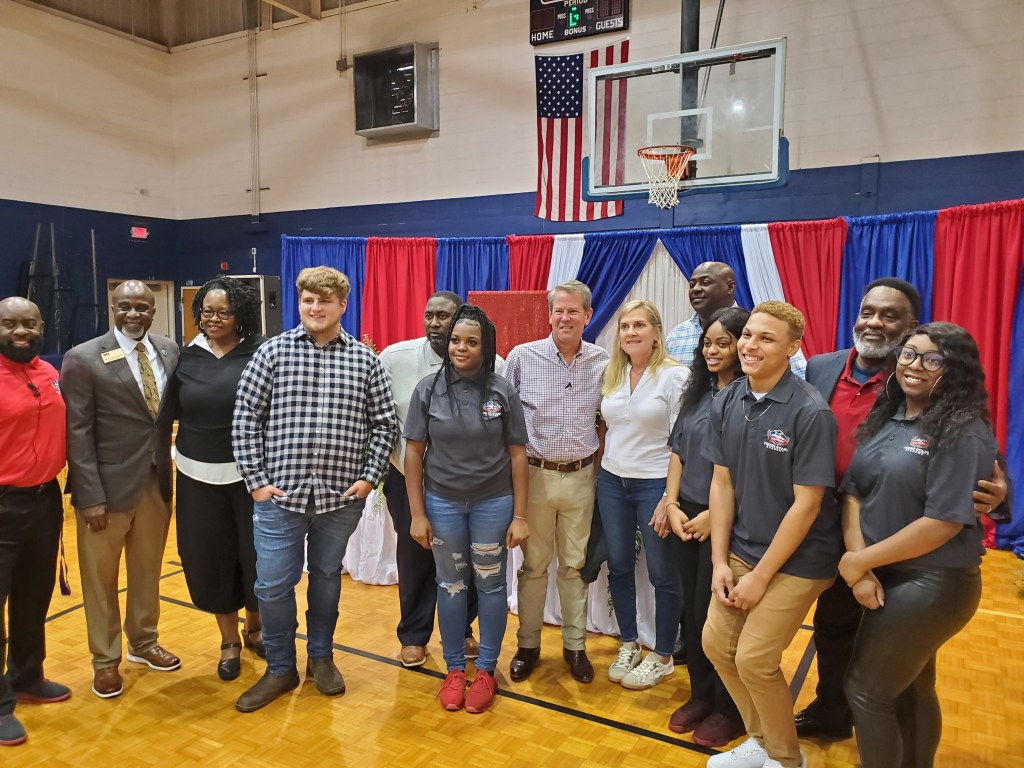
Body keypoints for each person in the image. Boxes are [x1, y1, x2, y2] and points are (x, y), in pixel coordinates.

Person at [794, 278, 1008, 741]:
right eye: (867, 311)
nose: (874, 322)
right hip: (830, 524)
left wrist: (1001, 491)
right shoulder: (820, 367)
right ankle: (831, 714)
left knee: (893, 665)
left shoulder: (924, 373)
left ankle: (881, 733)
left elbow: (977, 453)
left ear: (911, 326)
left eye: (890, 316)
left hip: (903, 545)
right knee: (832, 628)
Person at [231, 266, 397, 712]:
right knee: (272, 585)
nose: (315, 308)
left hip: (339, 498)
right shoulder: (272, 353)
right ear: (299, 303)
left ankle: (321, 657)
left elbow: (385, 424)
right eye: (308, 300)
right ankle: (280, 667)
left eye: (324, 301)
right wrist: (257, 482)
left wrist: (369, 477)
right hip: (279, 496)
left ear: (342, 305)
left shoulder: (365, 361)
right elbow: (245, 418)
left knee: (326, 578)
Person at [838, 323, 998, 768]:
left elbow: (942, 523)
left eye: (932, 359)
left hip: (933, 583)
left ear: (956, 369)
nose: (915, 366)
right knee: (909, 687)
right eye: (909, 354)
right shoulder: (887, 415)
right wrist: (861, 566)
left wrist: (860, 561)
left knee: (866, 691)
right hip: (884, 573)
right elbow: (853, 492)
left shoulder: (963, 430)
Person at [702, 302, 839, 768]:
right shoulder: (727, 399)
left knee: (755, 659)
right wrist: (720, 561)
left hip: (802, 558)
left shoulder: (810, 412)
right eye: (748, 335)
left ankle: (786, 759)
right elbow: (722, 484)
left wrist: (760, 577)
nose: (750, 345)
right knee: (717, 646)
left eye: (766, 338)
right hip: (742, 548)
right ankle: (762, 741)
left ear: (793, 348)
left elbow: (807, 505)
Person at [404, 304, 529, 713]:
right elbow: (413, 453)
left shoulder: (501, 391)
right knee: (451, 585)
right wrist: (417, 513)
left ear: (485, 346)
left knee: (491, 585)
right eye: (456, 340)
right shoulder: (428, 389)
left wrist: (520, 516)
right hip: (442, 504)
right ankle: (455, 669)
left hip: (494, 503)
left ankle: (487, 670)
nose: (461, 347)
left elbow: (517, 455)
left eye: (471, 342)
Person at [62, 280, 181, 700]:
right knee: (101, 577)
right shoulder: (83, 358)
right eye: (125, 306)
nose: (134, 314)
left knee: (148, 569)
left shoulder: (168, 350)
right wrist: (89, 495)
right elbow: (77, 432)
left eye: (142, 307)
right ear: (112, 307)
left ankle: (143, 642)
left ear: (153, 311)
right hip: (105, 490)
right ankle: (105, 660)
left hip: (155, 481)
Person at [502, 280, 610, 685]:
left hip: (582, 477)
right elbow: (502, 416)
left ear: (588, 316)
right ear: (549, 315)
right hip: (534, 477)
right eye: (559, 310)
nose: (565, 317)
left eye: (573, 311)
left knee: (574, 566)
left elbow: (610, 417)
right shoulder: (522, 357)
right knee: (533, 566)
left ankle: (575, 646)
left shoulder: (603, 361)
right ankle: (528, 646)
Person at [379, 291, 486, 669]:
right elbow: (380, 420)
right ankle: (413, 635)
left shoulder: (491, 361)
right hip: (409, 478)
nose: (435, 323)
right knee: (416, 556)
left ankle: (462, 629)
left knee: (466, 556)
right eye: (430, 315)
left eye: (444, 316)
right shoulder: (395, 359)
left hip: (469, 482)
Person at [173, 277, 265, 681]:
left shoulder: (261, 351)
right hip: (196, 477)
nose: (213, 319)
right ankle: (228, 640)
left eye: (223, 312)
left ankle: (256, 628)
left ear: (240, 314)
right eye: (206, 312)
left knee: (256, 557)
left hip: (251, 478)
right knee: (211, 557)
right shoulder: (186, 356)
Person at [663, 307, 748, 746]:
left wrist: (714, 517)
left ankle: (730, 708)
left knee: (722, 620)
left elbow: (750, 471)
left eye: (723, 343)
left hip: (731, 519)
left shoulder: (751, 398)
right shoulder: (698, 392)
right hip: (688, 515)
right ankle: (701, 694)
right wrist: (672, 503)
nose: (712, 351)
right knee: (693, 613)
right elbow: (678, 452)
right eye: (707, 343)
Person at [598, 300, 688, 690]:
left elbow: (682, 443)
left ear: (656, 332)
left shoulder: (675, 376)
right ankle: (629, 643)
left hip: (655, 484)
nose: (631, 332)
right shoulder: (613, 372)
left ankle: (663, 655)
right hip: (611, 481)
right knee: (618, 566)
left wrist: (669, 497)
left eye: (639, 325)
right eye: (625, 326)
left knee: (662, 573)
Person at [0, 297, 71, 747]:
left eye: (29, 323)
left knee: (32, 597)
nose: (21, 331)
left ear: (42, 326)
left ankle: (26, 675)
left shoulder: (49, 373)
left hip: (44, 501)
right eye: (9, 324)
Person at [666, 261, 805, 376]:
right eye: (692, 284)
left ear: (730, 287)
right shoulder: (676, 335)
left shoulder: (755, 328)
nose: (696, 289)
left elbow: (800, 381)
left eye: (706, 283)